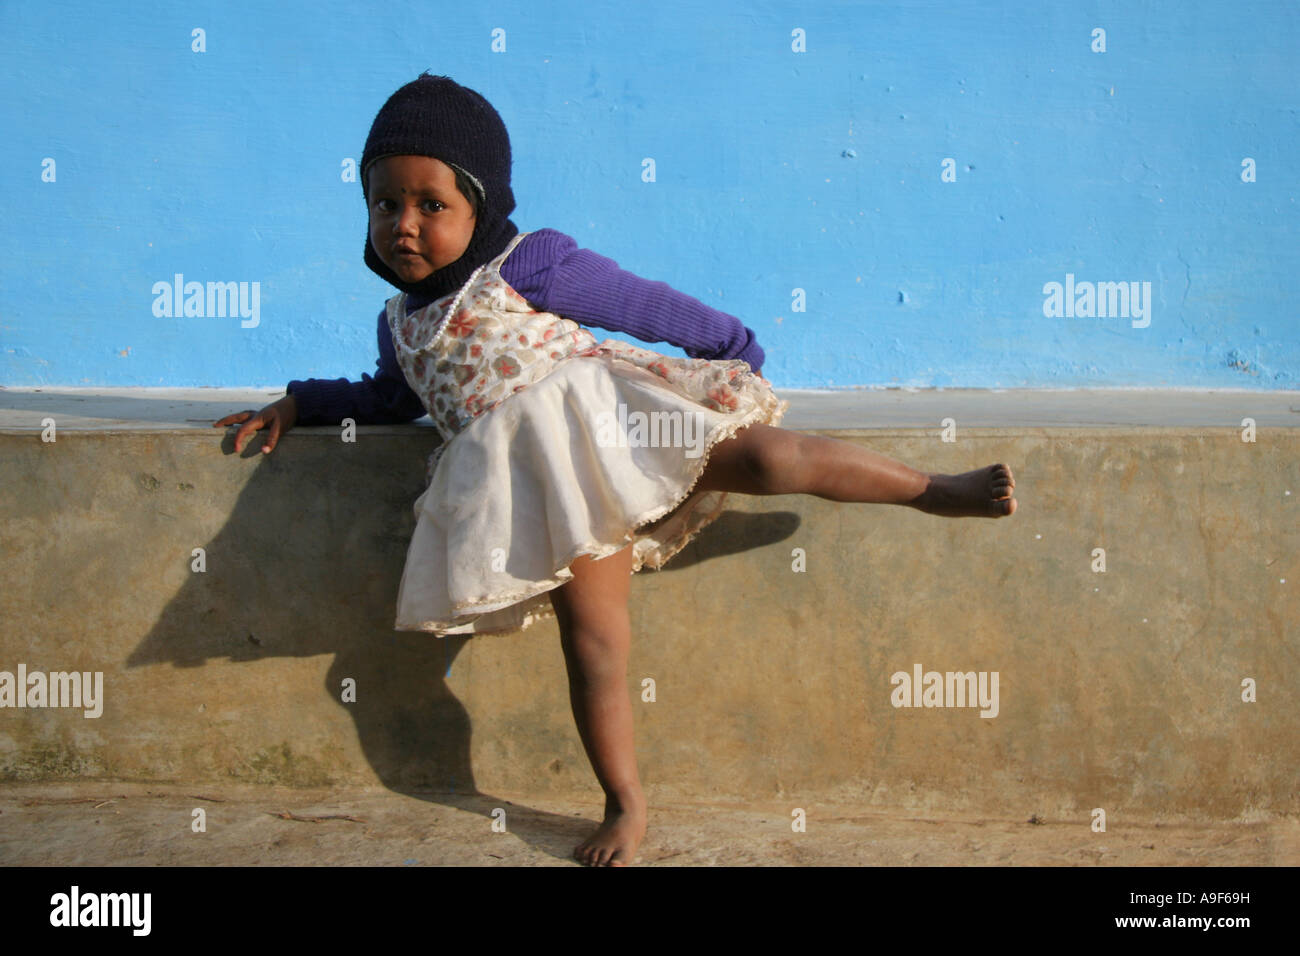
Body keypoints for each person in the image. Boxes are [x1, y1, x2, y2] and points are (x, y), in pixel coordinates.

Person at [214, 73, 1017, 867]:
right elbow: (391, 398)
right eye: (386, 203)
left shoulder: (527, 265)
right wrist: (297, 403)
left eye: (433, 204)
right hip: (557, 498)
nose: (405, 225)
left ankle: (933, 490)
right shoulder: (400, 323)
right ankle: (625, 803)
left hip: (625, 426)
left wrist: (731, 349)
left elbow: (638, 303)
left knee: (772, 456)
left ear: (481, 205)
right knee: (595, 644)